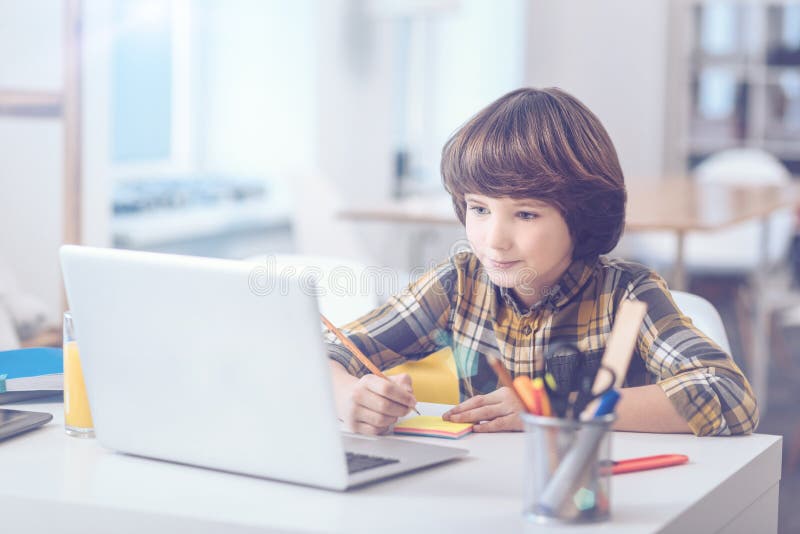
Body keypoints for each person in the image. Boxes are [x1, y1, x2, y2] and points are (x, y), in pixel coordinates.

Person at [325, 87, 758, 437]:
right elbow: (325, 353)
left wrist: (552, 404)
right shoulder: (460, 284)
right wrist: (349, 397)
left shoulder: (626, 295)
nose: (493, 239)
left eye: (526, 214)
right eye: (479, 209)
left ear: (581, 214)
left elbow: (728, 394)